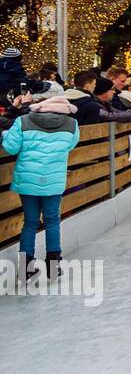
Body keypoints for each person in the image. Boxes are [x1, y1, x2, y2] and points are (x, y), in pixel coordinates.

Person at [2, 79, 79, 283]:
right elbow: (70, 146)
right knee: (52, 220)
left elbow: (10, 147)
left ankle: (26, 268)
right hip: (53, 179)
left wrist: (6, 134)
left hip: (27, 179)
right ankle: (54, 267)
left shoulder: (23, 121)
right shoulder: (72, 124)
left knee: (30, 222)